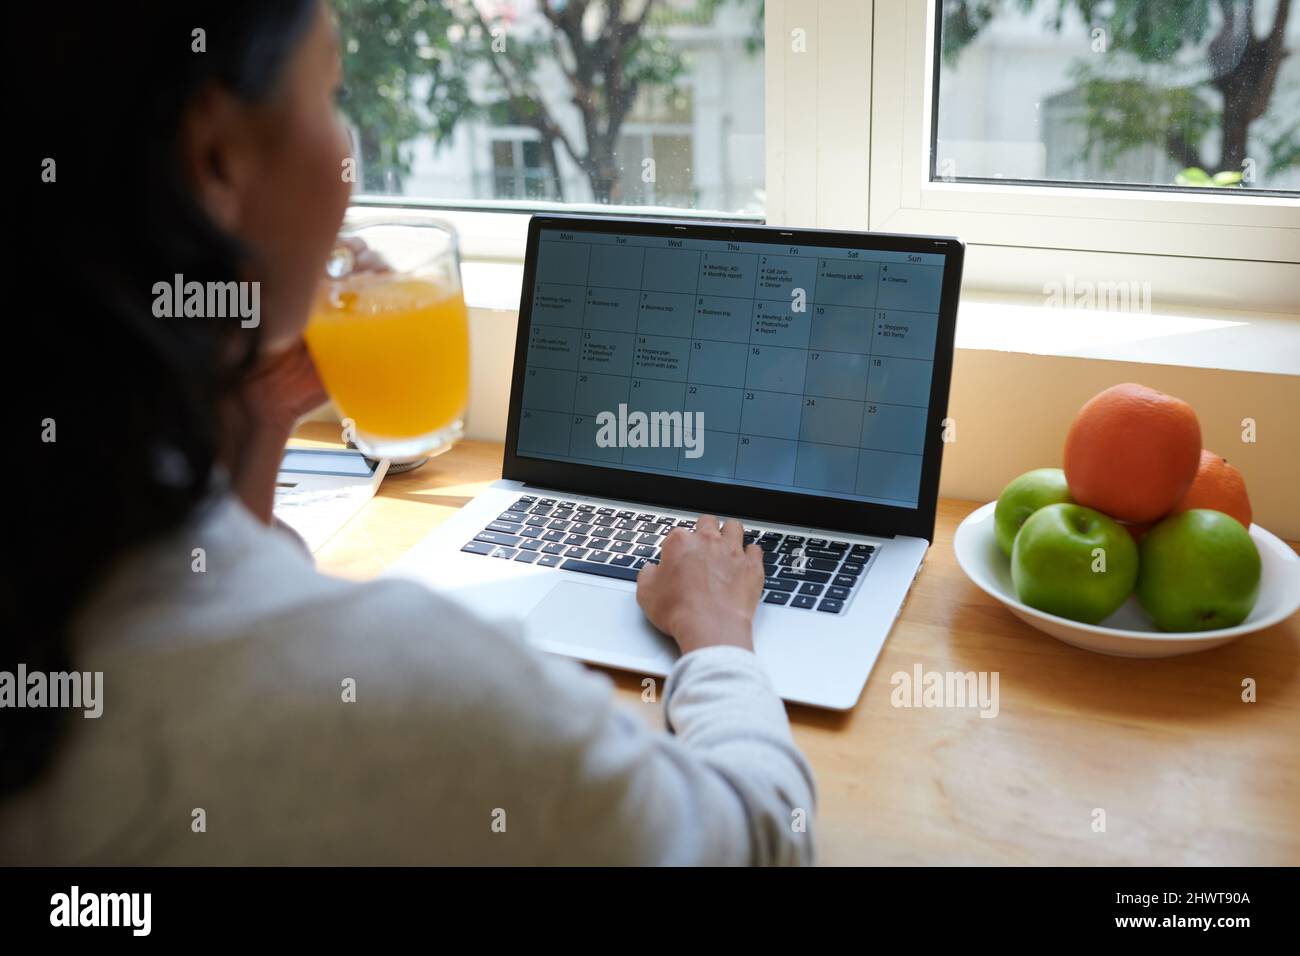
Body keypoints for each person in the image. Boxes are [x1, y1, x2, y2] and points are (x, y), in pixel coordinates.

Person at [2, 0, 815, 865]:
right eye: (332, 89)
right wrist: (718, 636)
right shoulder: (422, 696)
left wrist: (255, 415)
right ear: (219, 158)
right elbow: (761, 836)